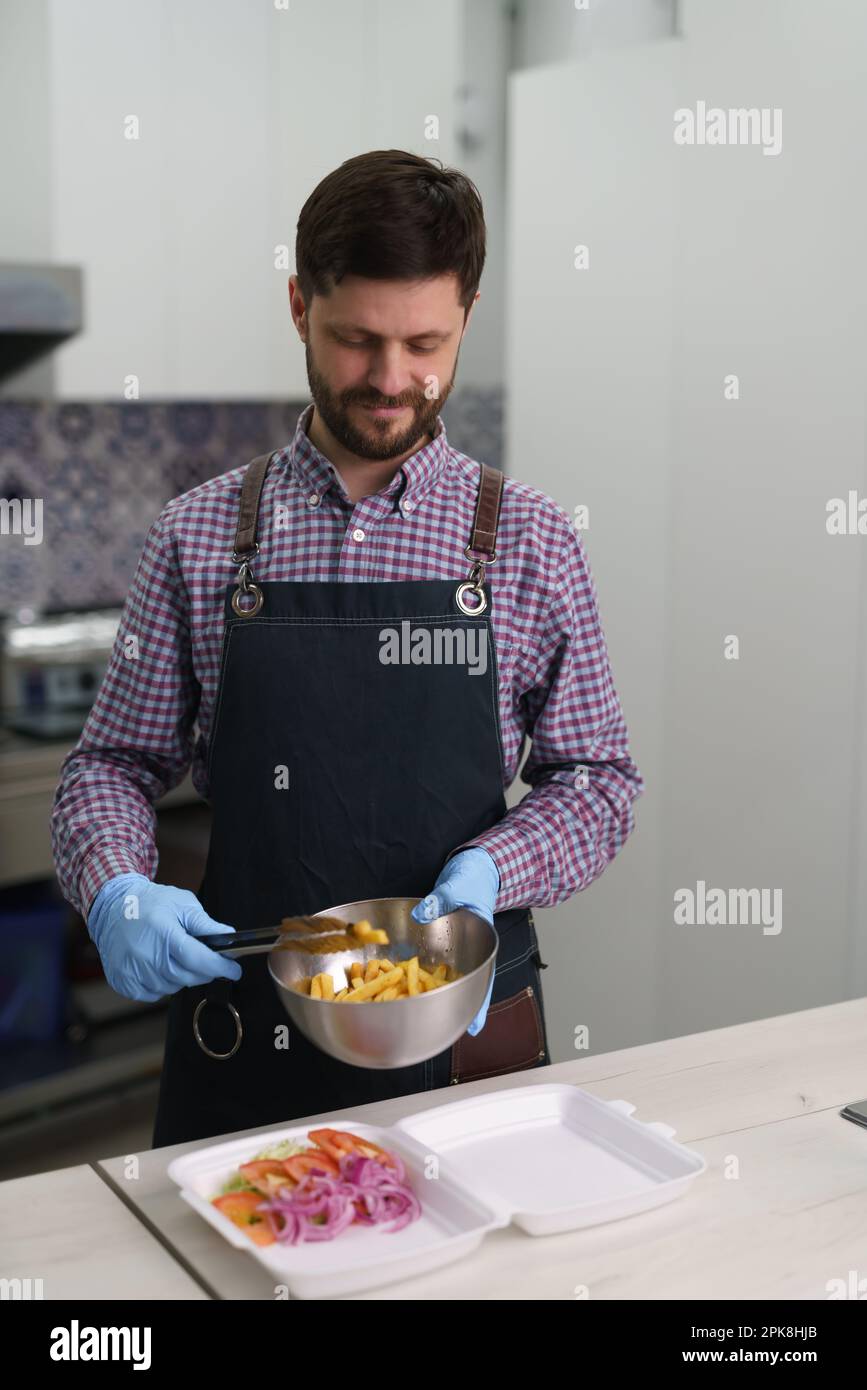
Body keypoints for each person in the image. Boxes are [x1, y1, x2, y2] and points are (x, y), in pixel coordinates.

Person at [50, 149, 644, 1147]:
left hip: (467, 1044)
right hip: (247, 1043)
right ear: (298, 306)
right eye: (357, 340)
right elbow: (110, 763)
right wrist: (113, 883)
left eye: (425, 343)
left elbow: (599, 779)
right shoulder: (199, 535)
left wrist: (495, 867)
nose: (390, 381)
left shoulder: (531, 539)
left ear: (467, 315)